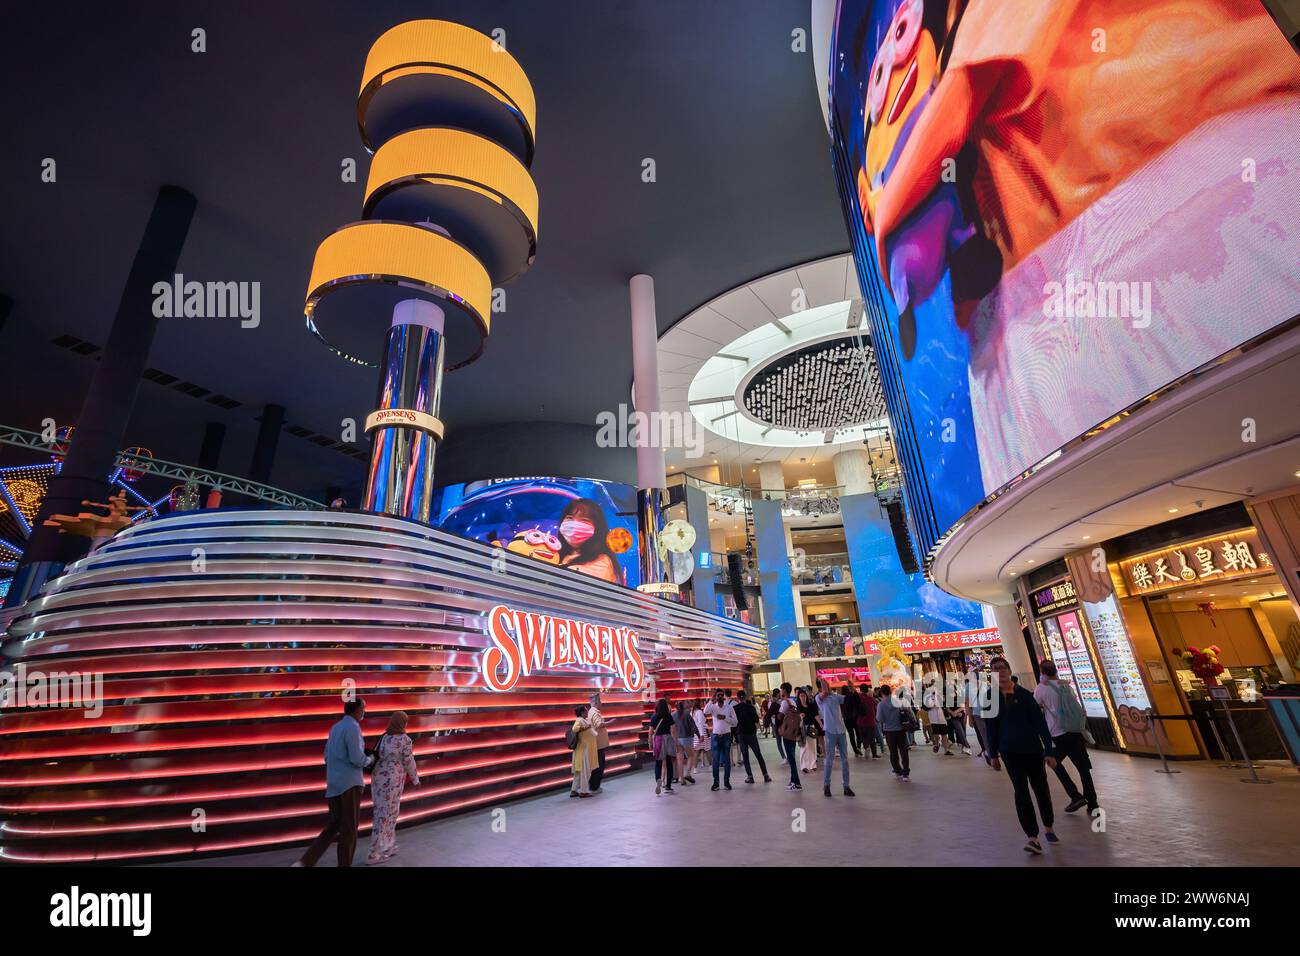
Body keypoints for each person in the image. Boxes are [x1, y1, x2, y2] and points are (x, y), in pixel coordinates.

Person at [986, 656, 1059, 854]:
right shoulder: (990, 699)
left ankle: (1048, 827)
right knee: (1021, 792)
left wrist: (1049, 751)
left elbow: (1040, 724)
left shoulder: (1026, 695)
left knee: (1041, 789)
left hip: (1033, 751)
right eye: (994, 670)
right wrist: (993, 755)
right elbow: (990, 729)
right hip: (1010, 753)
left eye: (1001, 668)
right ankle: (1032, 837)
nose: (999, 672)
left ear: (1009, 671)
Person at [297, 697, 369, 867]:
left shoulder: (335, 728)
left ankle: (306, 861)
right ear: (356, 710)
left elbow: (326, 756)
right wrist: (370, 760)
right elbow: (356, 758)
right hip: (350, 784)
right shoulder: (353, 728)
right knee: (349, 830)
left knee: (333, 826)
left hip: (334, 784)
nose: (365, 711)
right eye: (363, 708)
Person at [1033, 659, 1099, 815]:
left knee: (1054, 763)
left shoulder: (1041, 688)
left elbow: (1035, 707)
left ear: (1042, 673)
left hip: (1057, 734)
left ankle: (1074, 795)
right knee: (1083, 769)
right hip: (1075, 732)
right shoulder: (1066, 685)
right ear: (1056, 670)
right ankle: (1093, 803)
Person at [365, 710, 421, 865]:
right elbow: (409, 762)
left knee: (383, 813)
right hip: (393, 782)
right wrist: (416, 780)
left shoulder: (384, 737)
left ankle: (387, 846)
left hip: (378, 779)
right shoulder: (405, 740)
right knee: (387, 815)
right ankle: (373, 853)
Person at [557, 498, 622, 583]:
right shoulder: (558, 555)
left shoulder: (603, 561)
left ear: (598, 528)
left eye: (584, 520)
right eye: (569, 518)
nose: (574, 524)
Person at [815, 679, 855, 797]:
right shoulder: (819, 699)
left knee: (845, 760)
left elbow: (848, 700)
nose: (826, 686)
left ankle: (846, 786)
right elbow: (823, 694)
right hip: (830, 732)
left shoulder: (836, 697)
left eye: (827, 684)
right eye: (824, 685)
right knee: (829, 760)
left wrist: (851, 689)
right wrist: (824, 688)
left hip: (841, 731)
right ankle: (826, 785)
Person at [732, 690, 771, 783]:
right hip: (751, 734)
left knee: (745, 757)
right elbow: (756, 720)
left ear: (737, 698)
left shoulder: (735, 708)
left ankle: (750, 777)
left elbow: (733, 722)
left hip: (741, 734)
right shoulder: (751, 707)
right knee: (758, 754)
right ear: (745, 697)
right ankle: (765, 775)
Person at [876, 684, 912, 781]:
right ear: (891, 691)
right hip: (901, 730)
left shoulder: (881, 705)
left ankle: (897, 770)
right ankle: (906, 773)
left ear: (882, 693)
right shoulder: (898, 701)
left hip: (889, 732)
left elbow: (879, 719)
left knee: (893, 752)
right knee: (904, 751)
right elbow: (907, 710)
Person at [703, 690, 736, 790]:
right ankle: (716, 782)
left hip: (726, 736)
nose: (720, 697)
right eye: (718, 695)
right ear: (716, 697)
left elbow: (735, 722)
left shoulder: (729, 707)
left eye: (722, 695)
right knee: (716, 760)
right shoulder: (713, 707)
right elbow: (705, 711)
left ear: (724, 696)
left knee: (727, 760)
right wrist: (711, 700)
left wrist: (725, 718)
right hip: (716, 736)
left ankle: (726, 782)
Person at [777, 682, 803, 790]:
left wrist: (775, 715)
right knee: (792, 756)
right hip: (793, 731)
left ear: (784, 690)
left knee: (791, 759)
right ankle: (793, 781)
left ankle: (796, 783)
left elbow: (780, 717)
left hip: (787, 732)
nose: (780, 691)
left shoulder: (784, 703)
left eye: (781, 689)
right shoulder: (793, 701)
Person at [650, 697, 678, 795]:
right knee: (669, 763)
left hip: (658, 740)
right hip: (668, 739)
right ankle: (668, 786)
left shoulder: (654, 717)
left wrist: (650, 743)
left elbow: (650, 732)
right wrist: (676, 742)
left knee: (658, 763)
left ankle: (658, 779)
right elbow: (673, 730)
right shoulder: (669, 716)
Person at [570, 704, 598, 798]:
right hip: (583, 750)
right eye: (586, 711)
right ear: (582, 712)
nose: (587, 712)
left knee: (579, 771)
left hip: (581, 749)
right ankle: (583, 791)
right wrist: (586, 728)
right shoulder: (580, 720)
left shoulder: (583, 720)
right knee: (585, 771)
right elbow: (574, 729)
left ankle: (574, 790)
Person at [587, 692, 610, 792]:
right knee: (598, 766)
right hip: (598, 745)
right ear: (596, 703)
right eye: (600, 701)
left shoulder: (592, 711)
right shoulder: (595, 712)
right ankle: (594, 786)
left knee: (597, 765)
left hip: (597, 744)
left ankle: (594, 785)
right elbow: (599, 724)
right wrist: (611, 722)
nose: (601, 703)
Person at [672, 699, 698, 784]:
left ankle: (681, 779)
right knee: (691, 756)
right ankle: (687, 774)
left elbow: (671, 728)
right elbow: (693, 726)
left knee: (680, 760)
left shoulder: (673, 715)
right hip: (687, 738)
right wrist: (699, 734)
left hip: (677, 739)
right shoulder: (687, 715)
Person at [855, 683, 880, 758]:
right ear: (867, 690)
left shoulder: (858, 698)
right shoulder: (871, 698)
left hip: (860, 721)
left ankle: (866, 747)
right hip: (871, 721)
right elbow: (877, 704)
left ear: (860, 690)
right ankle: (874, 754)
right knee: (872, 738)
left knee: (863, 736)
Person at [840, 683, 863, 757]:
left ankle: (855, 751)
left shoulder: (841, 699)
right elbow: (858, 699)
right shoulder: (851, 696)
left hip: (846, 719)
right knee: (858, 733)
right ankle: (859, 747)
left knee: (851, 735)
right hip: (854, 717)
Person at [691, 699, 711, 768]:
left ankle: (695, 768)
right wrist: (702, 735)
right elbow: (701, 724)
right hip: (702, 733)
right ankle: (711, 766)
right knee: (707, 749)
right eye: (702, 702)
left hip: (695, 733)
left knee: (696, 751)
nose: (703, 704)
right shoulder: (699, 712)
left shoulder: (692, 712)